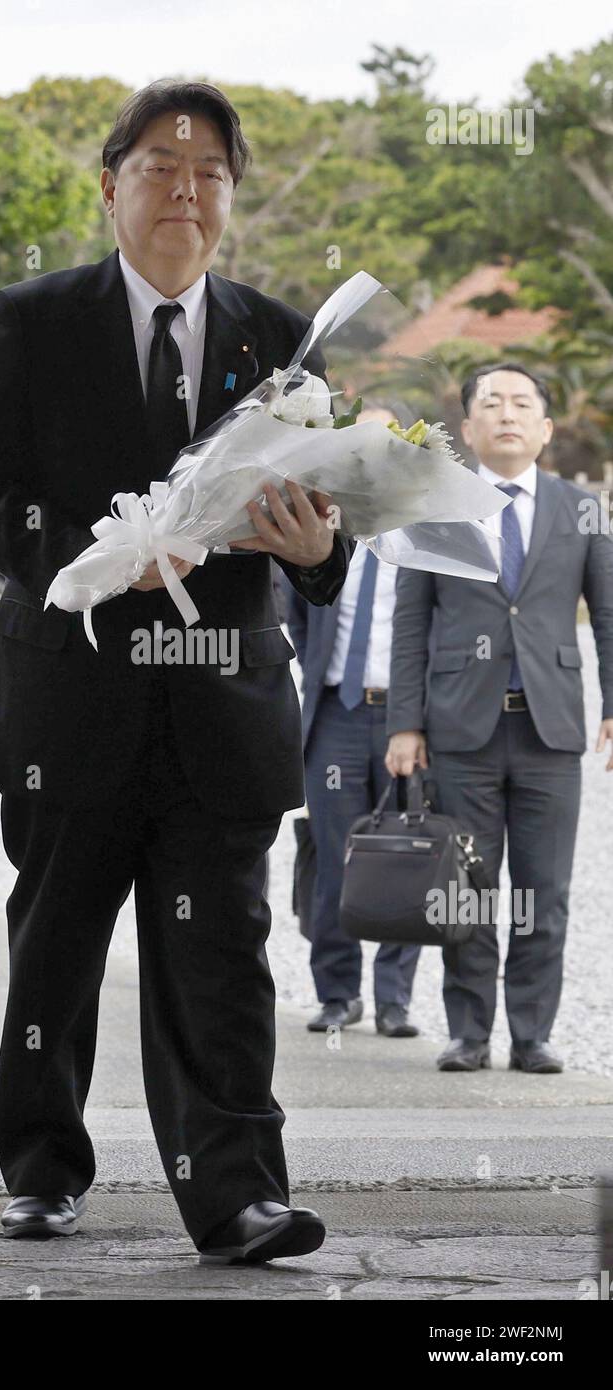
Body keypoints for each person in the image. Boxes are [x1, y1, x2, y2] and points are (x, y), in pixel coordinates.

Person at [0, 79, 355, 1264]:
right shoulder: (30, 320)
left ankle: (238, 1196)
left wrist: (321, 550)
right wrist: (86, 558)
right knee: (55, 948)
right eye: (160, 165)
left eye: (209, 170)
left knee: (220, 954)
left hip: (223, 699)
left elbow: (332, 522)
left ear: (230, 195)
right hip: (66, 699)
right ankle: (42, 1170)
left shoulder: (282, 338)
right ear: (109, 185)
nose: (185, 187)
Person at [385, 363, 613, 1073]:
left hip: (550, 730)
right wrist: (405, 723)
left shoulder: (582, 510)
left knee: (544, 892)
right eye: (492, 404)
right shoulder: (433, 507)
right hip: (461, 731)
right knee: (467, 889)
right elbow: (411, 623)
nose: (507, 415)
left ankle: (533, 1033)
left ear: (546, 428)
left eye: (523, 405)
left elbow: (607, 615)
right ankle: (470, 1031)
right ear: (467, 428)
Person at [283, 407, 422, 1040]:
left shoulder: (425, 532)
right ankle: (337, 993)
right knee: (334, 859)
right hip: (334, 713)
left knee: (404, 857)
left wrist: (415, 718)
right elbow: (299, 613)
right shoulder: (322, 524)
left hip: (403, 719)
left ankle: (394, 997)